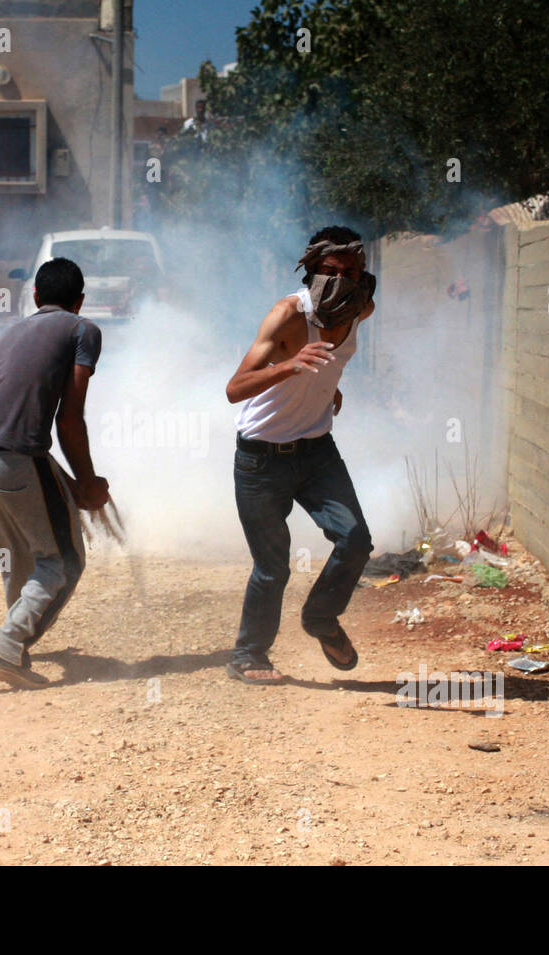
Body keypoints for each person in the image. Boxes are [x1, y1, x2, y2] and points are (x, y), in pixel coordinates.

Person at [223, 226, 377, 684]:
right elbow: (235, 388)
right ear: (311, 271)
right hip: (261, 458)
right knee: (273, 567)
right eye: (330, 270)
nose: (341, 280)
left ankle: (320, 618)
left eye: (351, 272)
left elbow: (330, 364)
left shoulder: (361, 308)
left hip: (316, 452)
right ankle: (249, 656)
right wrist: (291, 366)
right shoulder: (287, 315)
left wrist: (327, 387)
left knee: (355, 540)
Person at [0, 258, 110, 689]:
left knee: (18, 555)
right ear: (80, 301)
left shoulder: (12, 330)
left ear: (37, 297)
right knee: (63, 561)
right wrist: (87, 484)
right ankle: (8, 645)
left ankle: (14, 646)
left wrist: (71, 484)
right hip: (15, 458)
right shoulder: (83, 330)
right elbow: (69, 419)